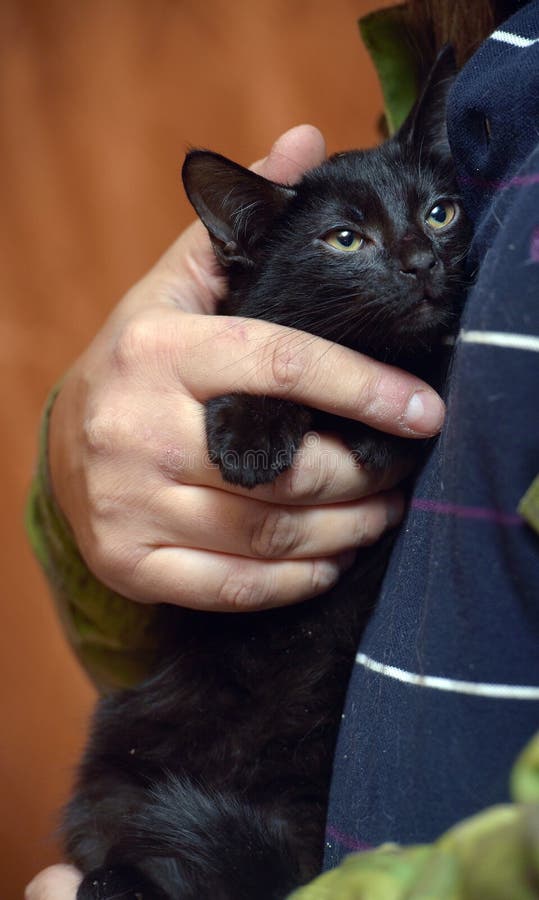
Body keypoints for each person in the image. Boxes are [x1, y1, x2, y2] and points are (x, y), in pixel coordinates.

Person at [25, 0, 539, 897]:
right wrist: (74, 461)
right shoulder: (467, 75)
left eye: (439, 215)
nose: (417, 255)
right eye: (349, 239)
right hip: (214, 764)